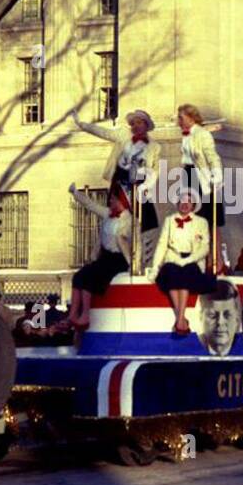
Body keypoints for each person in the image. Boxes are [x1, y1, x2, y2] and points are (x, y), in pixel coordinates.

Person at [74, 107, 163, 264]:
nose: (135, 126)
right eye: (133, 123)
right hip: (121, 183)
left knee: (147, 222)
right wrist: (82, 124)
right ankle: (102, 256)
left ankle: (143, 262)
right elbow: (103, 132)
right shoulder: (123, 135)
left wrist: (147, 185)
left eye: (139, 122)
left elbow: (155, 171)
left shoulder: (155, 147)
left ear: (146, 125)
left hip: (140, 186)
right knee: (113, 218)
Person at [150, 188, 214, 336]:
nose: (185, 204)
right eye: (182, 201)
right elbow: (162, 244)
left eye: (188, 201)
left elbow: (205, 248)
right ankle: (181, 320)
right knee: (171, 272)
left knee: (185, 273)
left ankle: (179, 319)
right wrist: (155, 266)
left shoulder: (201, 222)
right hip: (173, 258)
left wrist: (189, 260)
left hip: (193, 260)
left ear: (193, 205)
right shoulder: (169, 220)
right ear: (177, 203)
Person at [68, 183, 132, 330]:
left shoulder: (130, 220)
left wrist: (134, 265)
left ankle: (85, 316)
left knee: (90, 276)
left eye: (114, 199)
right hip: (105, 257)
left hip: (119, 259)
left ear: (122, 200)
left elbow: (136, 244)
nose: (110, 202)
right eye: (111, 199)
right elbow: (90, 204)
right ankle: (72, 315)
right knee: (79, 275)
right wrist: (75, 193)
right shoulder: (108, 214)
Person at [176, 104, 225, 252]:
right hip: (188, 176)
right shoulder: (188, 134)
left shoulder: (203, 135)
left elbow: (213, 157)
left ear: (191, 118)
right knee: (190, 218)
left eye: (181, 118)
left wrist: (217, 176)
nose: (178, 121)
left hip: (200, 178)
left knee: (209, 219)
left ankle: (215, 260)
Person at [197, 280, 243, 357]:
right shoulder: (191, 347)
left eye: (227, 315)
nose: (220, 322)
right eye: (212, 315)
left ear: (237, 319)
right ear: (201, 317)